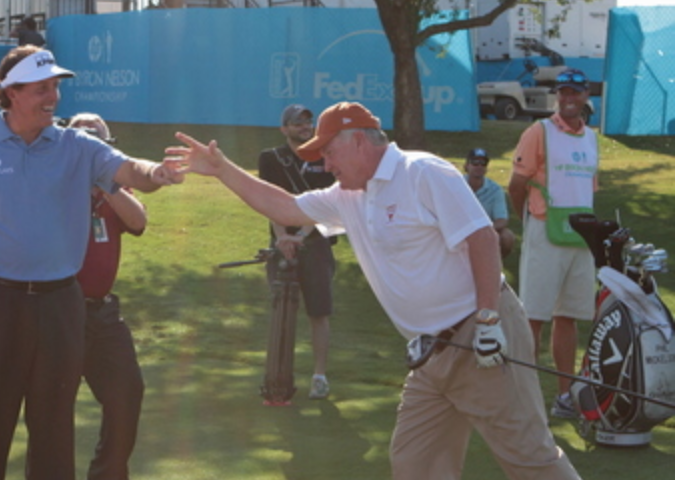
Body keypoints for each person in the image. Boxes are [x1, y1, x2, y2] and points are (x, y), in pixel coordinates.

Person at [168, 102, 582, 480]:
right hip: (431, 355)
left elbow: (483, 240)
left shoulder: (423, 171)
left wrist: (489, 318)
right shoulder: (348, 195)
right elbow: (286, 208)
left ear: (359, 142)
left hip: (482, 336)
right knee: (415, 464)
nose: (325, 165)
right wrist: (224, 170)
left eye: (328, 153)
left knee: (530, 460)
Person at [0, 46, 182, 480]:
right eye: (42, 88)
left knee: (53, 430)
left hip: (61, 303)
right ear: (11, 93)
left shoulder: (78, 146)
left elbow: (130, 171)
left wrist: (156, 172)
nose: (53, 97)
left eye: (56, 88)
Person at [508, 68, 598, 419]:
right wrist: (529, 221)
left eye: (574, 92)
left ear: (586, 95)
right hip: (545, 230)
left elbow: (589, 192)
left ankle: (564, 396)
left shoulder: (591, 138)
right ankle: (525, 399)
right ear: (557, 95)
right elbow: (516, 186)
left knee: (569, 316)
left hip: (581, 237)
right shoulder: (538, 132)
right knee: (533, 316)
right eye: (563, 92)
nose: (568, 98)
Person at [68, 112, 147, 480]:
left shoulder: (115, 191)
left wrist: (107, 186)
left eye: (98, 145)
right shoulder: (54, 186)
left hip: (101, 314)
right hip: (58, 312)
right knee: (51, 407)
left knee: (127, 394)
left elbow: (138, 222)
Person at [257, 104, 336, 399]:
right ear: (284, 129)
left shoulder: (326, 157)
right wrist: (283, 238)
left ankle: (319, 375)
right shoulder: (271, 158)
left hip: (316, 244)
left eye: (308, 122)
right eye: (298, 123)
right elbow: (269, 201)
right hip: (282, 245)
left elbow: (328, 203)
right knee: (281, 312)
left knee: (319, 312)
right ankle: (278, 373)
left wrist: (300, 235)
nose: (305, 127)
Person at [463, 147, 515, 258]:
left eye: (483, 163)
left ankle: (496, 265)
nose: (479, 166)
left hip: (485, 230)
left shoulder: (495, 190)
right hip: (460, 229)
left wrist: (484, 231)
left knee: (507, 237)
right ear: (467, 165)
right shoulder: (456, 186)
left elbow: (502, 220)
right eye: (475, 162)